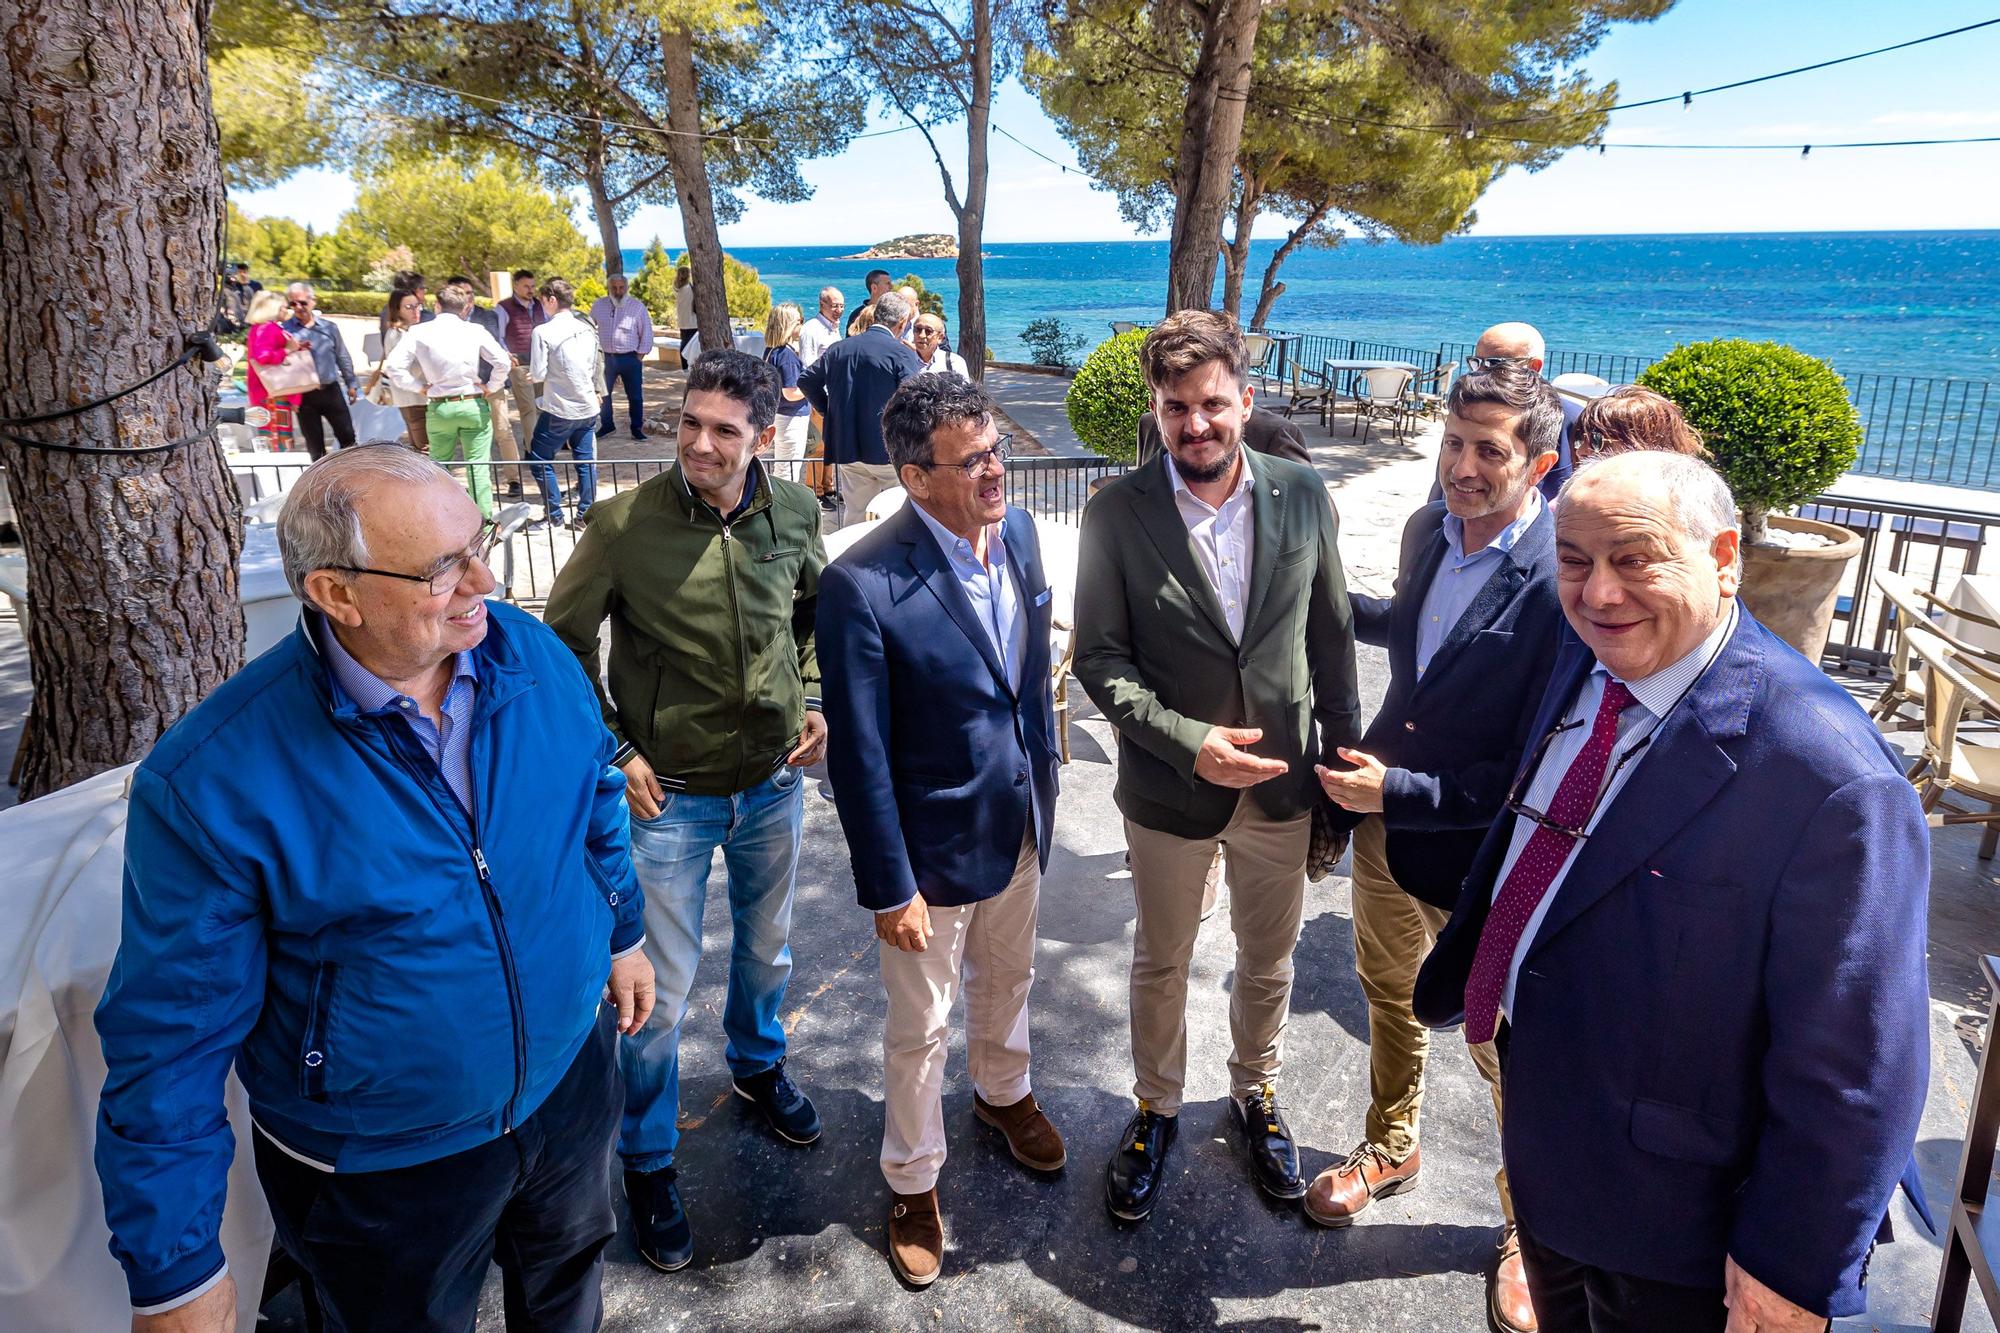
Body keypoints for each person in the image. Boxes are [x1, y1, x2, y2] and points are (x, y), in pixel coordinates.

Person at [94, 445, 654, 1333]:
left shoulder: (537, 657)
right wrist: (178, 1274)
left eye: (482, 540)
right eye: (442, 567)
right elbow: (169, 1042)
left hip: (569, 1087)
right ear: (336, 594)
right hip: (378, 1168)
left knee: (567, 1292)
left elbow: (594, 799)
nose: (483, 577)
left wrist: (621, 932)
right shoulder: (213, 777)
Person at [1412, 449, 1930, 1332]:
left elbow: (1857, 1061)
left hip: (1684, 1232)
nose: (1600, 593)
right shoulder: (1595, 662)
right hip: (1552, 1157)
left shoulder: (1829, 776)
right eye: (1575, 561)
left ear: (1724, 557)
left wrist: (1794, 1268)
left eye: (1635, 558)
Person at [543, 349, 828, 1276]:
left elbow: (814, 616)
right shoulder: (624, 524)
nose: (701, 445)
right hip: (670, 800)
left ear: (764, 438)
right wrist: (617, 749)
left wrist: (814, 695)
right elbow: (561, 647)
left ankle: (757, 1062)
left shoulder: (794, 511)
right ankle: (649, 1157)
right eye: (690, 424)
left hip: (774, 786)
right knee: (652, 996)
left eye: (725, 430)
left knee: (767, 947)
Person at [1073, 310, 1361, 1224]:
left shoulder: (1303, 495)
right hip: (1170, 789)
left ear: (1243, 397)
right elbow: (1100, 660)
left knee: (1266, 959)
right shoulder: (1115, 512)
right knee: (1162, 960)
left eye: (1211, 403)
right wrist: (1188, 738)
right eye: (1174, 408)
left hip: (1282, 786)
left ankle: (1254, 1093)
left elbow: (1334, 639)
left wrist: (1338, 786)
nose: (1195, 424)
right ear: (1154, 413)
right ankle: (1156, 1106)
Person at [1308, 365, 1567, 1333]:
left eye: (1486, 450)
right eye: (1451, 443)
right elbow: (1416, 637)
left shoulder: (1557, 577)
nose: (1460, 466)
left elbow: (1536, 760)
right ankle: (1389, 1145)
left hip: (1486, 858)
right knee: (1386, 997)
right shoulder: (1427, 529)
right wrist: (1312, 590)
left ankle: (1529, 1232)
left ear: (1538, 462)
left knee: (1503, 1050)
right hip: (1386, 838)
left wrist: (1401, 790)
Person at [818, 373, 1065, 1288]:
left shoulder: (1025, 534)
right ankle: (913, 1176)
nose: (997, 471)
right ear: (916, 477)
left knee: (1012, 978)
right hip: (927, 854)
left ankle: (1004, 1094)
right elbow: (860, 755)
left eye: (997, 449)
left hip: (1021, 822)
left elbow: (1026, 684)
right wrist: (890, 885)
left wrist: (1046, 787)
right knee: (920, 1026)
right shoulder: (861, 584)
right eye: (974, 462)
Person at [383, 279, 513, 518]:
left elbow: (393, 366)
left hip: (440, 406)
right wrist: (491, 386)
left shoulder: (419, 331)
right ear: (464, 308)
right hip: (472, 402)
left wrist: (419, 387)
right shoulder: (474, 330)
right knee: (478, 468)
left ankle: (439, 519)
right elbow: (502, 362)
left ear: (437, 307)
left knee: (437, 467)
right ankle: (483, 522)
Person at [798, 291, 924, 525]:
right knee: (895, 516)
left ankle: (852, 557)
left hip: (848, 447)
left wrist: (828, 411)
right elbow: (913, 399)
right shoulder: (901, 353)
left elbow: (806, 380)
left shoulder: (839, 349)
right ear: (902, 323)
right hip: (888, 449)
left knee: (855, 514)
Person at [525, 277, 604, 530]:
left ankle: (554, 516)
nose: (541, 306)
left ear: (551, 299)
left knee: (538, 458)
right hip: (587, 405)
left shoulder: (543, 331)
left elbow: (538, 373)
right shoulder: (587, 329)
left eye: (542, 301)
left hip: (561, 407)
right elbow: (593, 367)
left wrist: (536, 376)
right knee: (585, 461)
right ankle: (584, 515)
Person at [453, 274, 528, 502]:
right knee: (468, 437)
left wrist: (490, 384)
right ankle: (477, 483)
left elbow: (494, 350)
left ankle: (514, 479)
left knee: (503, 431)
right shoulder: (446, 323)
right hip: (462, 389)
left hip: (489, 384)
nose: (467, 298)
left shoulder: (487, 317)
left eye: (470, 293)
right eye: (461, 293)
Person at [280, 282, 360, 460]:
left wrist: (351, 383)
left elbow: (342, 356)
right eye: (293, 304)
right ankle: (320, 484)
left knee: (348, 439)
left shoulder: (329, 328)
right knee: (314, 446)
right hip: (304, 395)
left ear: (313, 301)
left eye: (302, 303)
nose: (298, 308)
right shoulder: (285, 330)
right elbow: (280, 363)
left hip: (331, 390)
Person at [1135, 400, 1310, 467]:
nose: (1196, 428)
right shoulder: (1150, 424)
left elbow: (1317, 515)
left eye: (1213, 404)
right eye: (1177, 408)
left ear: (1245, 402)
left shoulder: (1275, 433)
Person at [1570, 384, 1705, 460]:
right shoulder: (1564, 505)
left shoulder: (1686, 505)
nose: (1580, 452)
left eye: (1596, 441)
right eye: (1579, 440)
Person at [591, 272, 652, 440]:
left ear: (626, 288)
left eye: (621, 287)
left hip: (630, 358)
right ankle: (607, 425)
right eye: (614, 287)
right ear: (609, 288)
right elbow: (590, 328)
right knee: (604, 395)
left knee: (635, 396)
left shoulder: (637, 307)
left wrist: (638, 357)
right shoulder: (598, 306)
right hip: (605, 359)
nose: (618, 291)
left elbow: (646, 333)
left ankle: (637, 429)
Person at [372, 288, 432, 454]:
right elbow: (405, 367)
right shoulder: (397, 334)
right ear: (397, 310)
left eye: (417, 305)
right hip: (413, 397)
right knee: (424, 448)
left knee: (419, 447)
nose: (415, 311)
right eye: (409, 307)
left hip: (413, 396)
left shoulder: (408, 331)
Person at [495, 267, 548, 452]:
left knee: (544, 407)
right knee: (528, 409)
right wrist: (507, 355)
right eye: (526, 286)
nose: (530, 290)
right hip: (520, 365)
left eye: (533, 286)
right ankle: (533, 451)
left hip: (541, 365)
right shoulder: (504, 307)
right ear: (516, 285)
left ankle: (536, 445)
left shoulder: (541, 305)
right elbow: (499, 335)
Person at [243, 288, 301, 450]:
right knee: (277, 440)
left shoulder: (261, 328)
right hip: (271, 393)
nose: (286, 310)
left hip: (268, 390)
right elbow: (263, 356)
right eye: (283, 307)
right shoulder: (268, 328)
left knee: (271, 437)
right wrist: (288, 350)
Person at [763, 301, 811, 468]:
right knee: (789, 467)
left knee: (783, 464)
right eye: (800, 321)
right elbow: (791, 393)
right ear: (790, 324)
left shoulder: (772, 351)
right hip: (792, 418)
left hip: (780, 415)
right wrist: (813, 386)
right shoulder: (787, 356)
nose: (802, 325)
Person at [912, 313, 969, 378]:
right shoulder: (905, 361)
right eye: (918, 329)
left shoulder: (954, 362)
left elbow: (964, 387)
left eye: (928, 331)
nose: (921, 335)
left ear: (940, 338)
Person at [800, 286, 844, 367]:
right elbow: (807, 365)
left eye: (842, 306)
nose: (839, 310)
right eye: (834, 306)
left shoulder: (834, 327)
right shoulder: (811, 329)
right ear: (822, 305)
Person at [674, 266, 696, 355]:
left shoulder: (678, 288)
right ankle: (687, 365)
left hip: (682, 321)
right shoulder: (689, 288)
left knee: (684, 343)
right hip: (692, 322)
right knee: (690, 345)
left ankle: (685, 367)